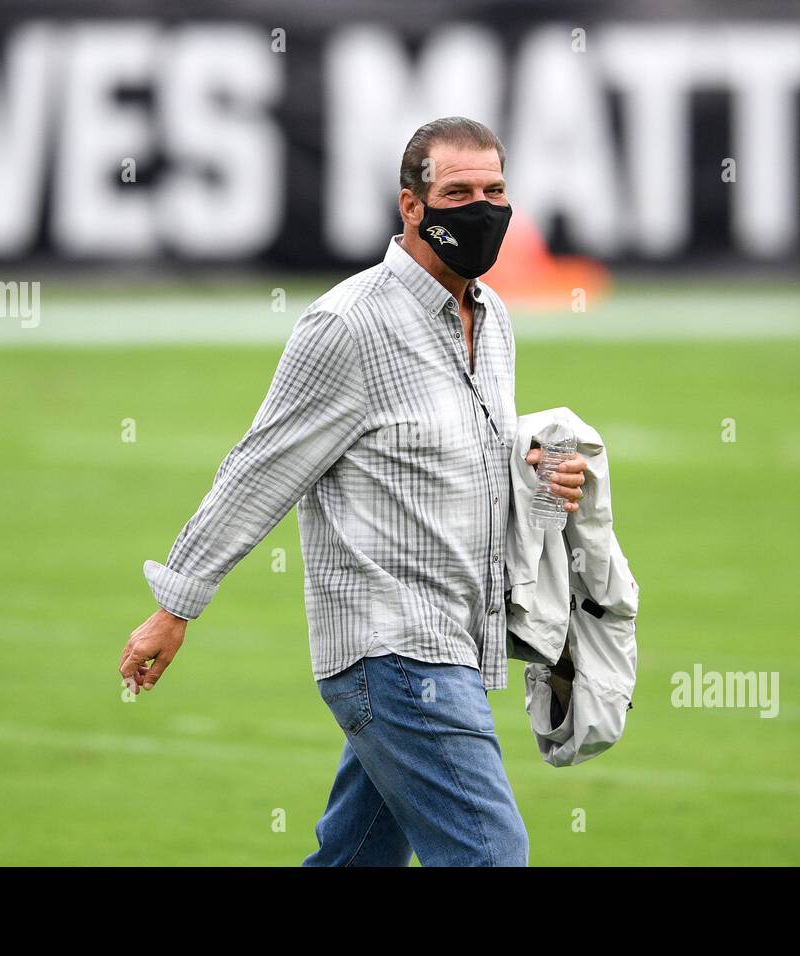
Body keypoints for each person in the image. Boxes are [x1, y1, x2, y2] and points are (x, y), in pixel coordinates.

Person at [118, 117, 588, 866]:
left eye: (495, 190)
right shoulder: (347, 324)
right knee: (491, 855)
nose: (482, 207)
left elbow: (458, 443)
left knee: (355, 860)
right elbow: (262, 464)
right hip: (395, 653)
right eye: (458, 191)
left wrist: (531, 463)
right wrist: (177, 604)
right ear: (412, 206)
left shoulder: (492, 315)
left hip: (454, 640)